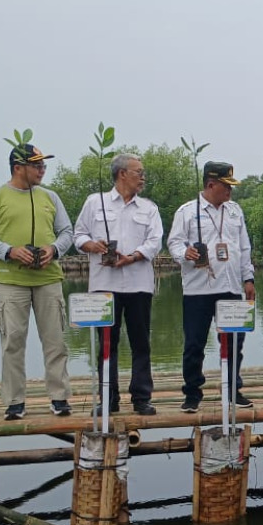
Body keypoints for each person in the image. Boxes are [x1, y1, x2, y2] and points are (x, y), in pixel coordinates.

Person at [0, 142, 74, 420]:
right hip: (11, 279)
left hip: (48, 277)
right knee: (12, 341)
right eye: (37, 165)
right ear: (18, 168)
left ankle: (59, 396)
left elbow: (67, 231)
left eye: (43, 165)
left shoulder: (50, 197)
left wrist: (54, 249)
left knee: (55, 340)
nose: (42, 170)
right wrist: (9, 251)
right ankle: (14, 401)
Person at [74, 153, 163, 415]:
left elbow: (155, 242)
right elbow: (79, 235)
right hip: (104, 284)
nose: (143, 177)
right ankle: (108, 399)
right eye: (139, 172)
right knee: (106, 345)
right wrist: (91, 245)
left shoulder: (149, 208)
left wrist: (132, 257)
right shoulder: (95, 202)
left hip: (138, 284)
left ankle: (141, 398)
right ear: (122, 174)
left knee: (141, 343)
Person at [168, 161, 257, 412]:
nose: (230, 191)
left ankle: (232, 389)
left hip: (231, 287)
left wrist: (248, 279)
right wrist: (184, 253)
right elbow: (174, 242)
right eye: (225, 186)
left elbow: (244, 247)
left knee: (234, 341)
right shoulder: (187, 211)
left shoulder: (235, 211)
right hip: (198, 289)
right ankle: (192, 393)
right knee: (194, 344)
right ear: (210, 184)